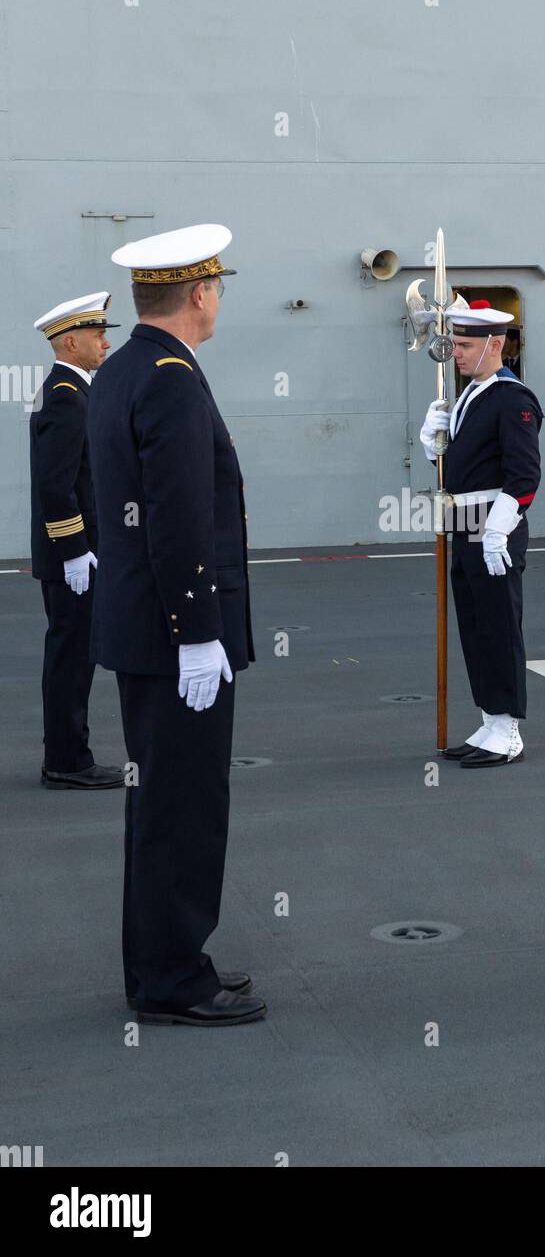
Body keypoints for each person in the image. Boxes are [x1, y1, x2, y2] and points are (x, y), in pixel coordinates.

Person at [89, 224, 265, 1025]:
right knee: (185, 807)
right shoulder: (170, 379)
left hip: (142, 629)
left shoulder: (121, 370)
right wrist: (200, 632)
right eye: (217, 286)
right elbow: (180, 519)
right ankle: (172, 980)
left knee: (158, 802)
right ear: (199, 294)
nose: (218, 297)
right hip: (177, 637)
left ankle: (160, 964)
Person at [419, 300, 542, 767]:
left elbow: (524, 476)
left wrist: (498, 531)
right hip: (464, 523)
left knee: (498, 626)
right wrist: (436, 447)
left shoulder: (513, 399)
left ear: (496, 343)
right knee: (473, 625)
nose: (457, 354)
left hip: (494, 527)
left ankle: (509, 728)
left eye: (467, 346)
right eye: (457, 345)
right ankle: (490, 720)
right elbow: (463, 467)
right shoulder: (471, 394)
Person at [29, 294, 124, 791]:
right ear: (71, 341)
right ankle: (67, 760)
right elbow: (54, 483)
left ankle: (66, 754)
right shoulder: (66, 395)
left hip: (79, 552)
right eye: (97, 336)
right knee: (71, 657)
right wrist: (72, 550)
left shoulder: (70, 390)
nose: (106, 342)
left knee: (72, 655)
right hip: (74, 556)